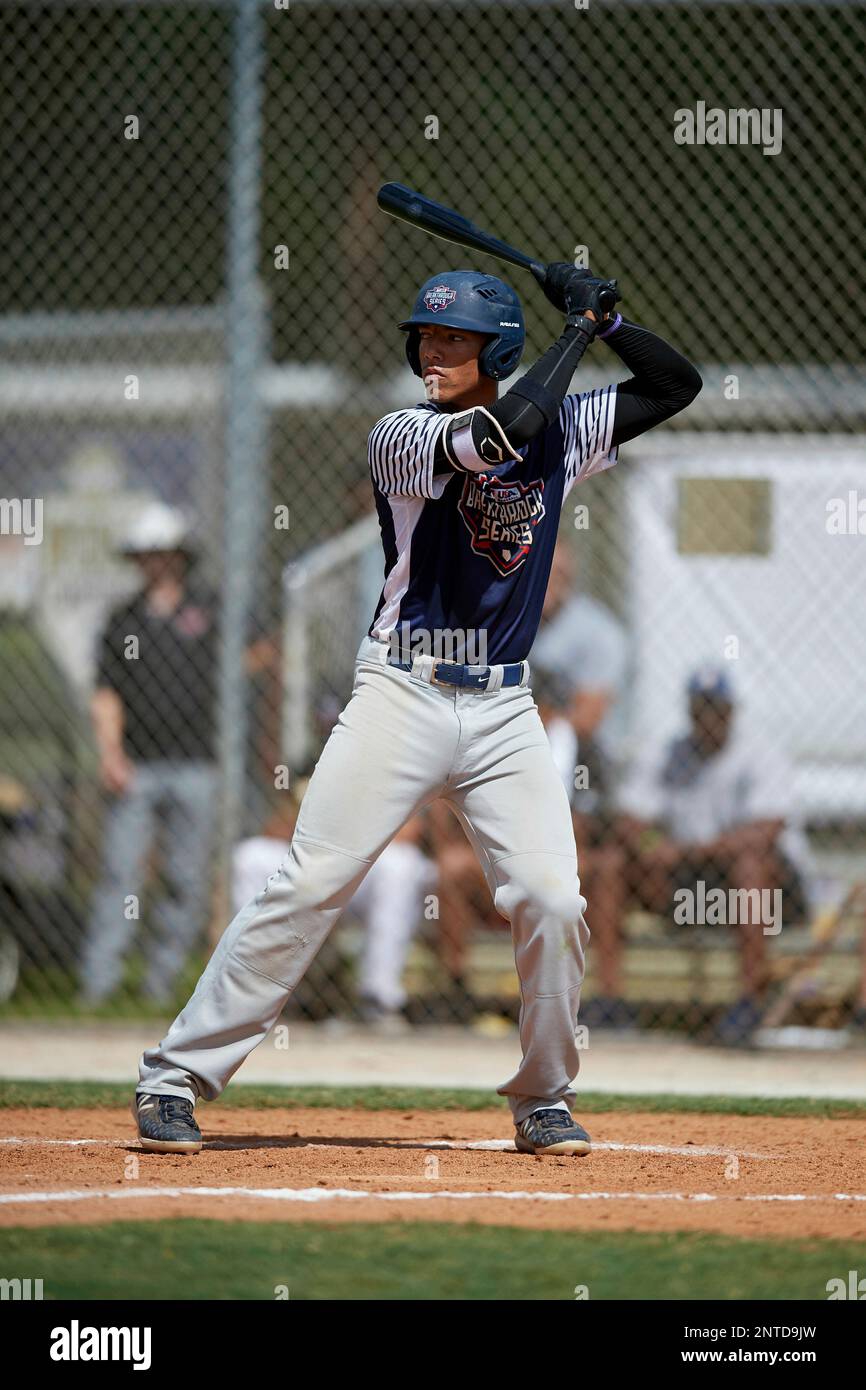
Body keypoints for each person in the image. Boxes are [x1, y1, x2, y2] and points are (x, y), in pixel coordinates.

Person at [132, 262, 701, 1156]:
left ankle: (543, 1096)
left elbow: (676, 384)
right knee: (312, 883)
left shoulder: (571, 425)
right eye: (426, 337)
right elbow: (508, 431)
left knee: (554, 899)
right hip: (404, 688)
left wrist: (612, 316)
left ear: (499, 348)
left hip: (508, 707)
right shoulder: (405, 433)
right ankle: (174, 1076)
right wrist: (577, 332)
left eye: (455, 340)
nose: (432, 352)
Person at [591, 667, 814, 1041]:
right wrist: (651, 846)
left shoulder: (761, 753)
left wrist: (684, 850)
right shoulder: (668, 752)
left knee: (749, 866)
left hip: (771, 894)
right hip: (689, 884)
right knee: (611, 864)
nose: (708, 718)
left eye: (717, 709)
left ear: (732, 712)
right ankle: (611, 1000)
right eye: (701, 709)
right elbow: (628, 820)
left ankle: (749, 1004)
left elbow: (765, 833)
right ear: (689, 711)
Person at [79, 504, 220, 1006]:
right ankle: (99, 987)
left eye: (161, 553)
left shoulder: (210, 611)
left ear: (179, 556)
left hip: (199, 764)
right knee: (120, 873)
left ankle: (162, 987)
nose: (153, 563)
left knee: (187, 877)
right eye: (145, 555)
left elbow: (259, 658)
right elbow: (106, 693)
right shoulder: (123, 621)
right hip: (138, 764)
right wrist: (111, 754)